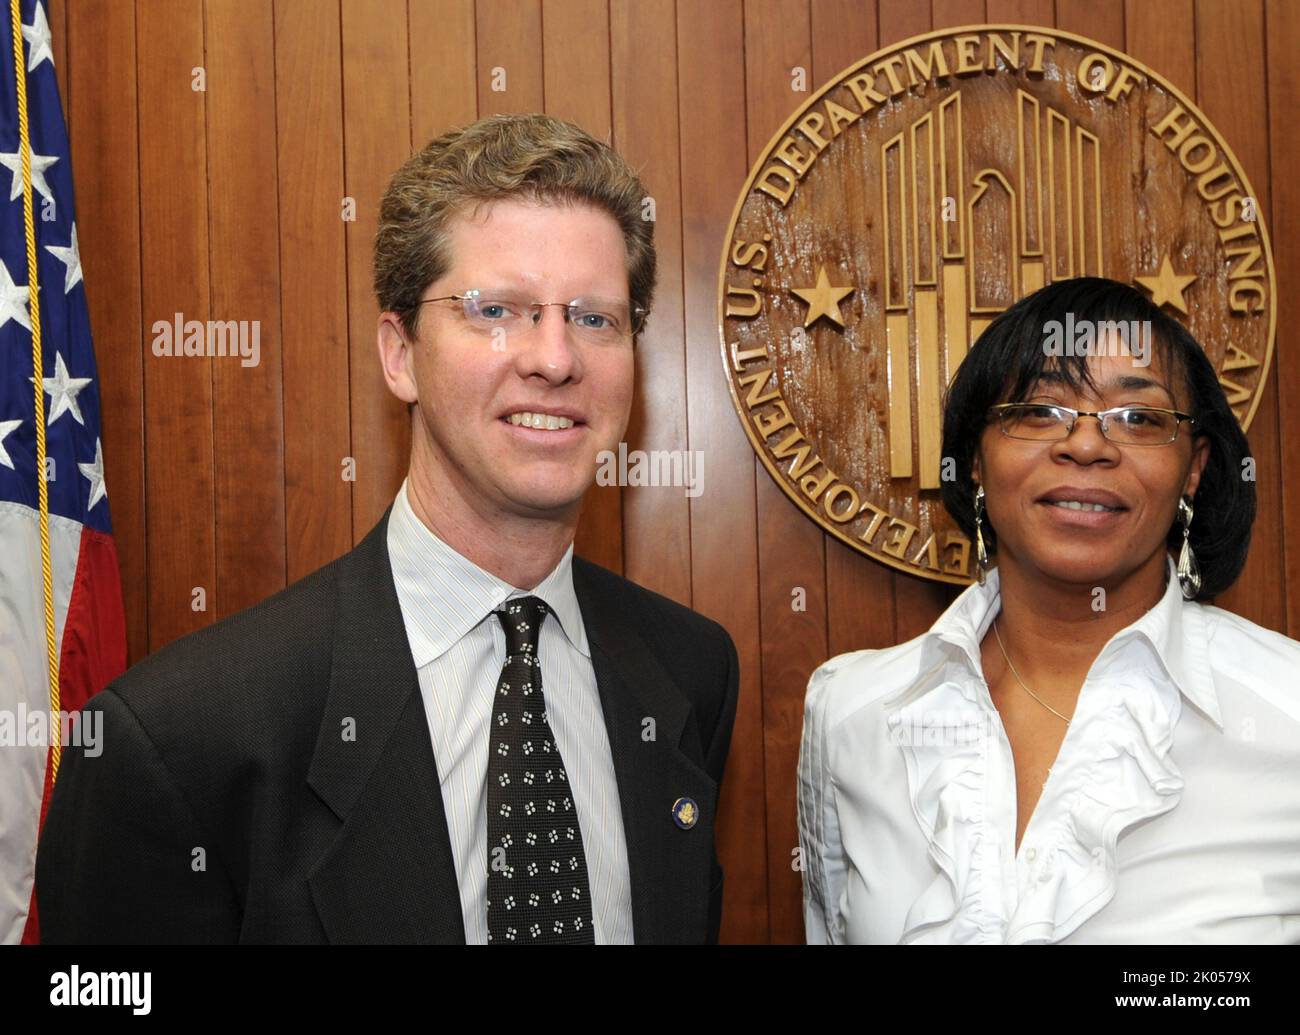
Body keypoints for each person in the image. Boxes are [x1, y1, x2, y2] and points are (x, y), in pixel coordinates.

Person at [36, 113, 739, 945]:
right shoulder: (176, 739)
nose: (555, 359)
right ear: (399, 352)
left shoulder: (688, 673)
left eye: (595, 318)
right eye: (497, 309)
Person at [797, 276, 1300, 943]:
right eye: (1038, 411)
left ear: (1195, 467)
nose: (1087, 445)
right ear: (976, 457)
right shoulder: (852, 712)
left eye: (1139, 417)